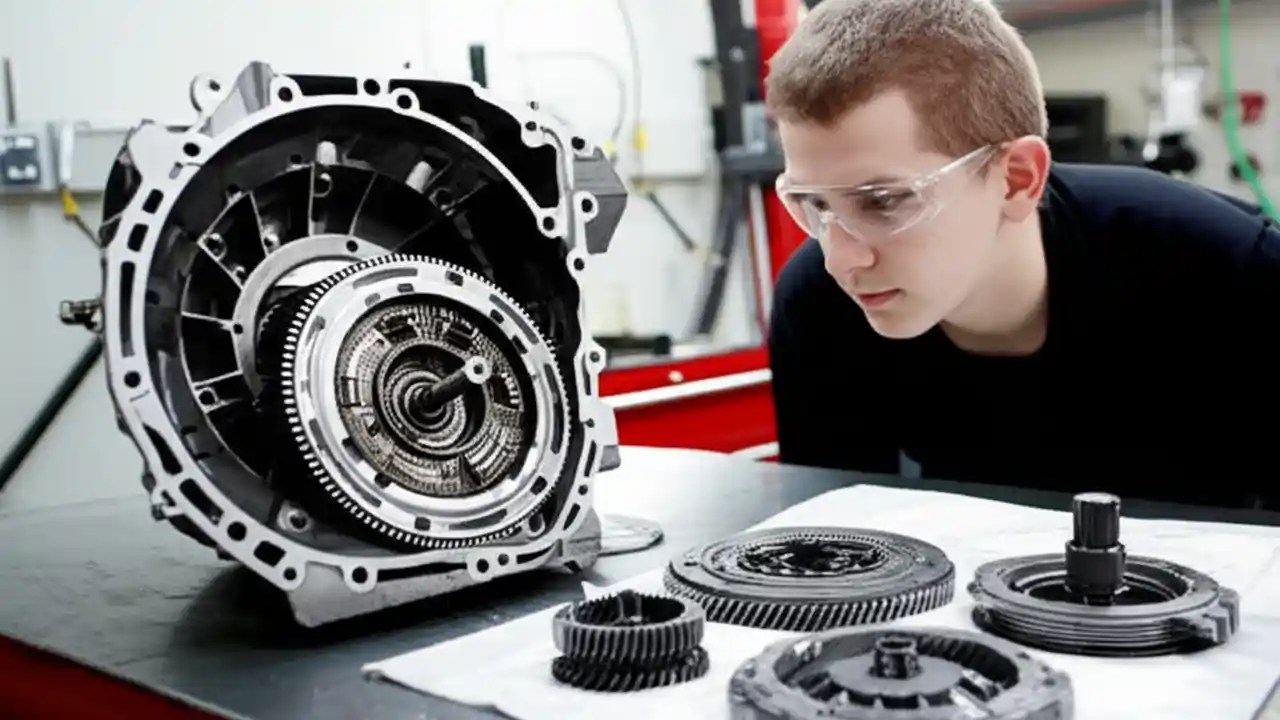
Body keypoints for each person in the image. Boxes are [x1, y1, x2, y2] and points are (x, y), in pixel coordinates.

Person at [764, 0, 1280, 508]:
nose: (841, 259)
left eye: (882, 201)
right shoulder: (818, 305)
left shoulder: (1232, 274)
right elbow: (837, 546)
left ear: (1016, 180)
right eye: (812, 203)